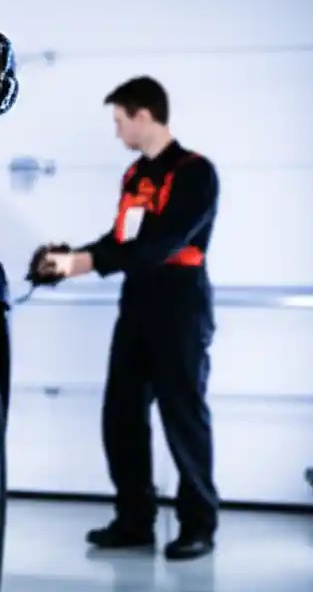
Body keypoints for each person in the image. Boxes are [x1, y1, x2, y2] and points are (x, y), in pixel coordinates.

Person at [35, 76, 220, 561]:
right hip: (137, 302)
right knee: (121, 413)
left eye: (119, 121)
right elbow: (122, 242)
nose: (117, 133)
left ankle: (198, 524)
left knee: (183, 413)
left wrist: (87, 262)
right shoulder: (135, 176)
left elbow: (161, 243)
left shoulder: (196, 172)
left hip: (180, 302)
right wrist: (68, 261)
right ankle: (134, 520)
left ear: (144, 115)